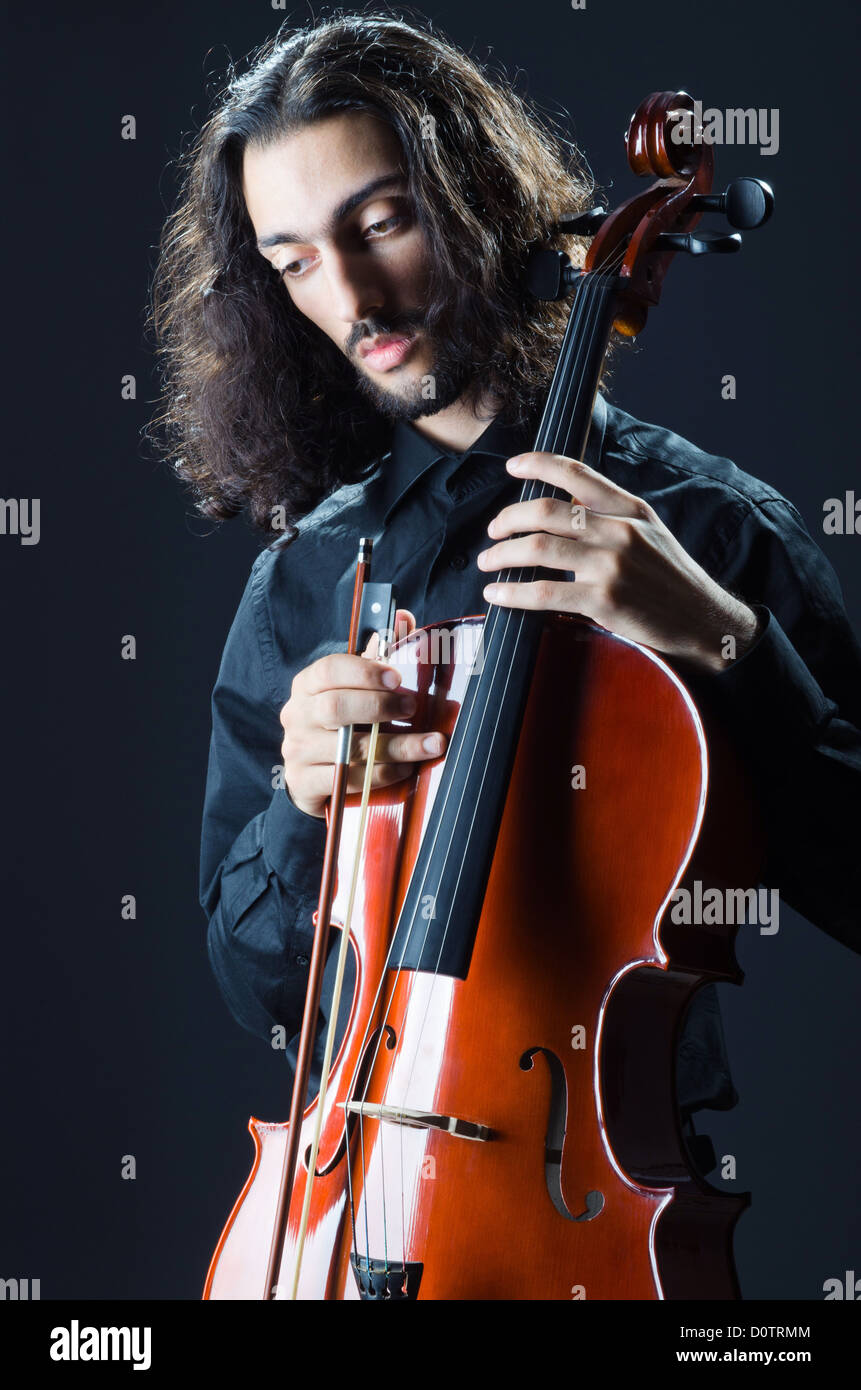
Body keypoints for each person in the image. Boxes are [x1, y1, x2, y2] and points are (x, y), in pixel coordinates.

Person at [151, 15, 860, 1157]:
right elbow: (262, 992)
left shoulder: (708, 530)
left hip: (592, 1184)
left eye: (381, 224)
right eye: (293, 263)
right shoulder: (305, 579)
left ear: (476, 201)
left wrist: (723, 639)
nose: (353, 299)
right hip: (354, 1180)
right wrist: (301, 806)